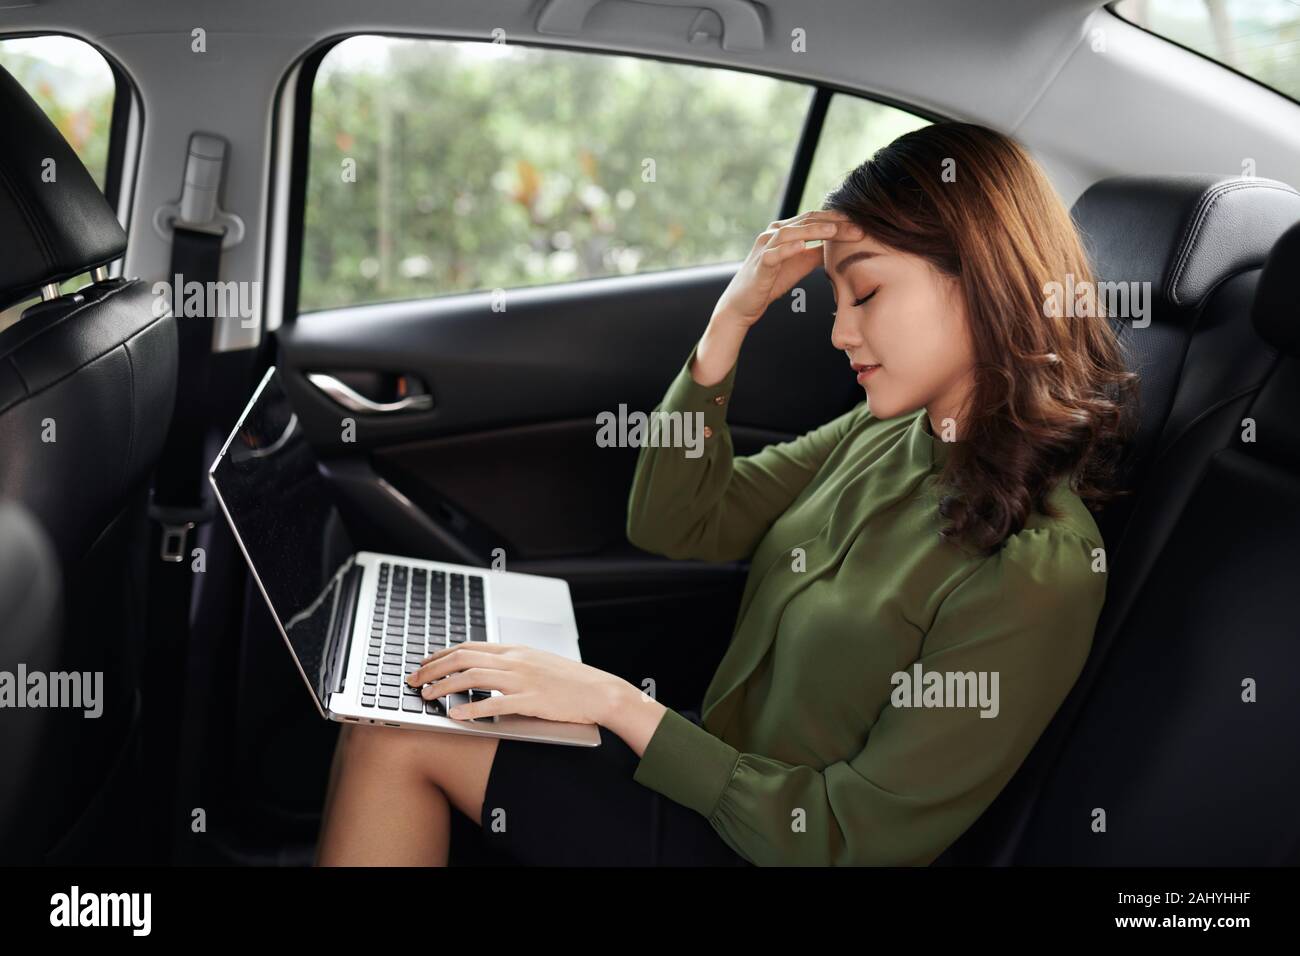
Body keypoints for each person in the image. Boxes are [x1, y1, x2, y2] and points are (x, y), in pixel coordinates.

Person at [315, 121, 1138, 867]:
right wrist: (728, 325)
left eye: (867, 292)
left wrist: (615, 705)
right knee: (403, 711)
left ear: (981, 279)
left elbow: (849, 838)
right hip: (705, 784)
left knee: (397, 739)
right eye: (837, 299)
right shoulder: (885, 435)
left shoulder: (1041, 568)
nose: (839, 331)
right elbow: (677, 521)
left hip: (771, 846)